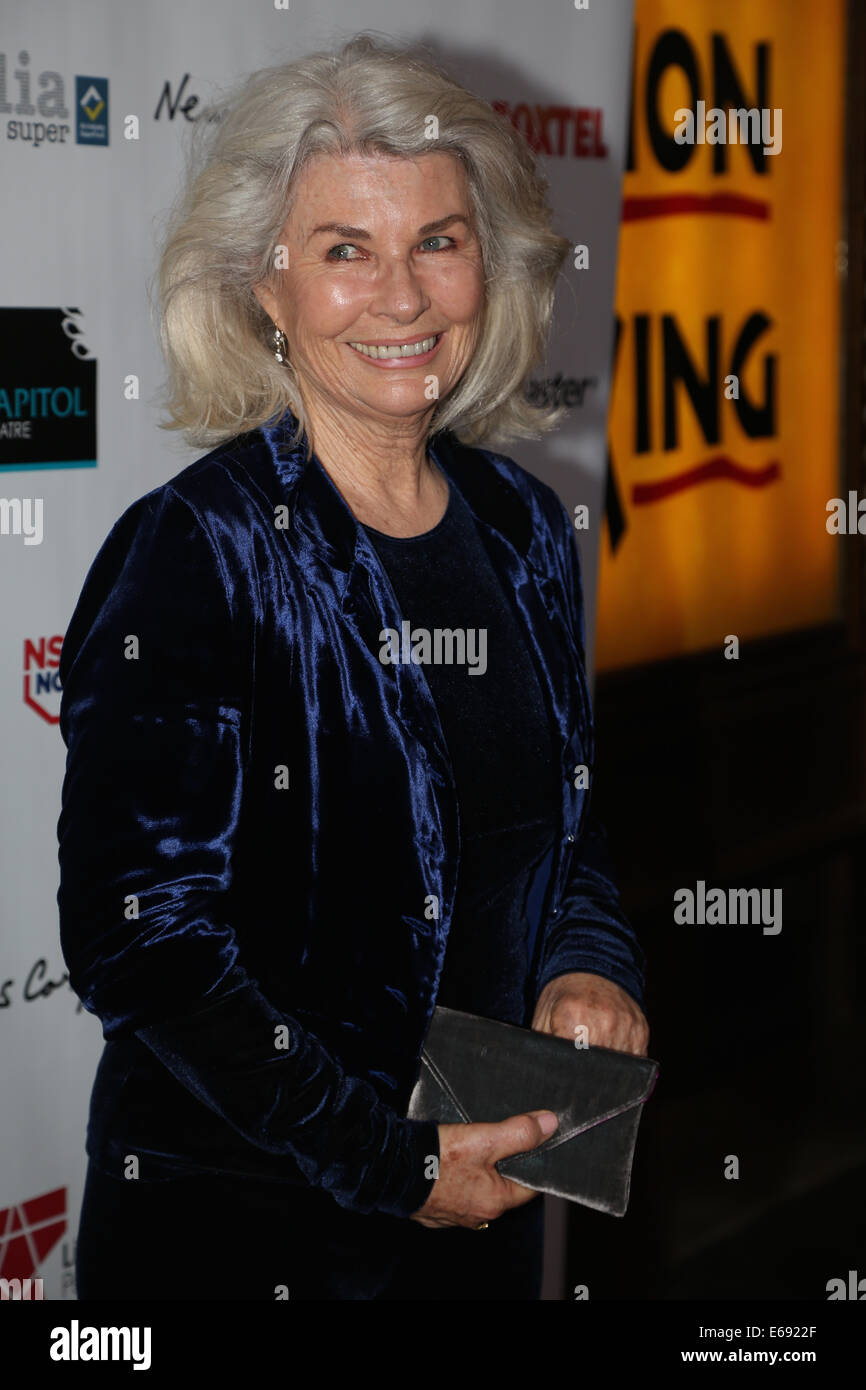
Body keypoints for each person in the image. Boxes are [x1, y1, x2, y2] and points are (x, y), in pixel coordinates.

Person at [57, 33, 649, 1302]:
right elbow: (141, 943)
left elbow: (569, 830)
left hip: (478, 1206)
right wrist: (387, 1161)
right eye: (345, 251)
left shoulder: (520, 524)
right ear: (263, 287)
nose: (403, 296)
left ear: (487, 261)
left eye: (437, 240)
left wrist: (585, 962)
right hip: (245, 1229)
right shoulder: (196, 550)